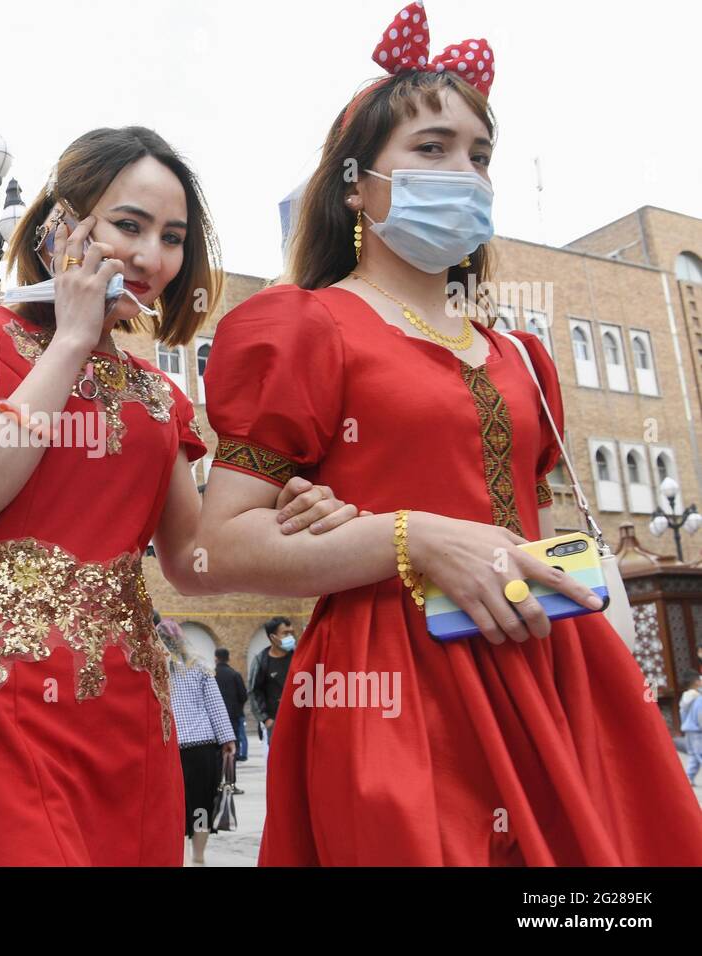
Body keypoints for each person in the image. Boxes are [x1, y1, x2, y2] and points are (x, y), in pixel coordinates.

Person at [196, 2, 702, 866]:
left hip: (554, 664)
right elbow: (220, 547)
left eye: (479, 155)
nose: (464, 173)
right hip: (393, 681)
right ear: (356, 182)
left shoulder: (523, 354)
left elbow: (540, 522)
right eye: (431, 149)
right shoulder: (305, 327)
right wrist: (411, 535)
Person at [0, 126, 361, 866]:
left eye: (172, 238)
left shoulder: (159, 396)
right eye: (128, 225)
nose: (151, 256)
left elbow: (192, 561)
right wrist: (73, 339)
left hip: (130, 704)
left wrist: (301, 519)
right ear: (61, 225)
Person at [162, 620, 236, 866]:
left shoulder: (155, 670)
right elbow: (215, 705)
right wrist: (227, 739)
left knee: (174, 804)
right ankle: (199, 856)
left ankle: (177, 854)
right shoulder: (201, 667)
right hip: (202, 747)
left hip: (170, 748)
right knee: (202, 803)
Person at [248, 618, 295, 760]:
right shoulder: (261, 660)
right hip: (276, 722)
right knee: (280, 760)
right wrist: (266, 719)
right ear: (273, 637)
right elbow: (254, 691)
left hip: (299, 720)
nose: (290, 637)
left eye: (291, 633)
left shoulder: (298, 656)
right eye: (285, 633)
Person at [212, 647, 249, 766]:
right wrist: (237, 709)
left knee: (216, 749)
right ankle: (230, 779)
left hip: (214, 718)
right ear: (228, 658)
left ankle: (217, 779)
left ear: (216, 658)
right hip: (233, 716)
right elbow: (243, 695)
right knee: (232, 747)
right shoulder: (235, 674)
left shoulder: (210, 674)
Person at [681, 670, 701, 786]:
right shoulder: (698, 697)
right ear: (696, 682)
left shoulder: (685, 697)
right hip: (698, 730)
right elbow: (700, 715)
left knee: (693, 755)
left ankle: (688, 777)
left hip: (688, 729)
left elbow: (682, 713)